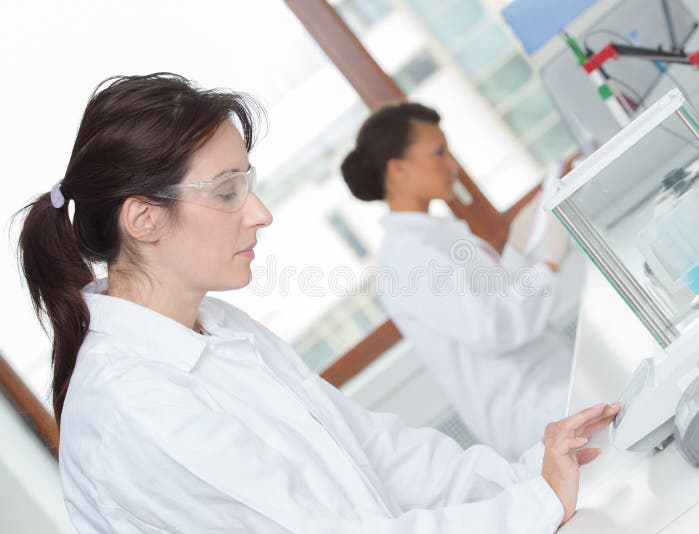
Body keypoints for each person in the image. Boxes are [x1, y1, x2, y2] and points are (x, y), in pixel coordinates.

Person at [17, 73, 619, 533]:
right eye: (227, 193)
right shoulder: (133, 406)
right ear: (145, 218)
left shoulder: (221, 328)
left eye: (248, 186)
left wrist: (529, 475)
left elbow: (378, 452)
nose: (261, 214)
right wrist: (533, 501)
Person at [341, 102, 574, 458]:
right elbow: (493, 328)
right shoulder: (408, 258)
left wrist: (518, 247)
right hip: (534, 415)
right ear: (398, 169)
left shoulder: (433, 236)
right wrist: (548, 266)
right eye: (438, 153)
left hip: (551, 394)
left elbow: (493, 298)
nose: (452, 165)